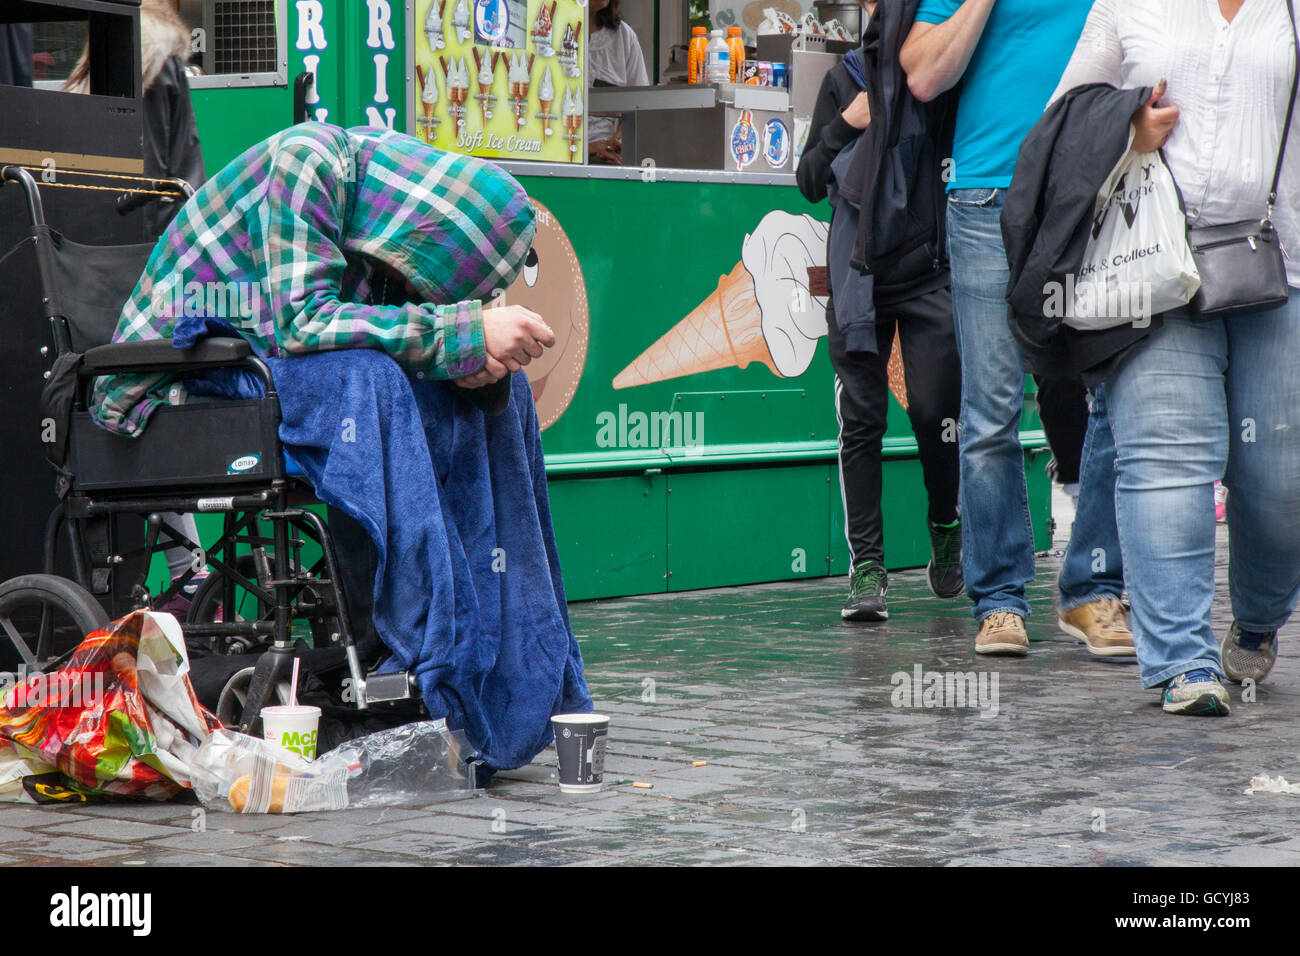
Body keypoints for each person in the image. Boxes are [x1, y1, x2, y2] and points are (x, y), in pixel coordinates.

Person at [89, 123, 593, 769]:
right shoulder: (307, 162)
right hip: (178, 377)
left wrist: (475, 361)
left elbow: (401, 330)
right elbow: (302, 323)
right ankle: (409, 638)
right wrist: (459, 331)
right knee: (371, 379)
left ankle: (502, 655)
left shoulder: (386, 214)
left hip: (271, 369)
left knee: (499, 389)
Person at [1051, 0, 1300, 715]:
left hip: (1283, 268)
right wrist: (1123, 130)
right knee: (1166, 460)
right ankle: (1183, 660)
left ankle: (1257, 619)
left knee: (1280, 481)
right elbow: (1064, 115)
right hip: (1153, 267)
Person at [900, 0, 1135, 658]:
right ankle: (1000, 601)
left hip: (1094, 193)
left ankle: (1093, 590)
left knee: (1112, 398)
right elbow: (922, 73)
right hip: (986, 195)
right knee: (989, 407)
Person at [798, 0, 964, 622]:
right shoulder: (845, 77)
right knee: (862, 417)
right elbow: (809, 178)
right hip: (858, 270)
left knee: (933, 409)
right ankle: (867, 568)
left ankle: (945, 521)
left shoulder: (938, 73)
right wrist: (846, 123)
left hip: (928, 267)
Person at [66, 0, 209, 613]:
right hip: (148, 276)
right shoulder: (161, 70)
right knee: (161, 409)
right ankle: (192, 572)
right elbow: (177, 187)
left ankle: (187, 572)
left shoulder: (82, 82)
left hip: (88, 281)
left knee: (127, 413)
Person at [586, 0, 648, 165]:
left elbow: (640, 106)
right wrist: (588, 148)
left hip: (611, 158)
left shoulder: (625, 36)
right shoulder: (551, 30)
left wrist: (619, 140)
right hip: (557, 155)